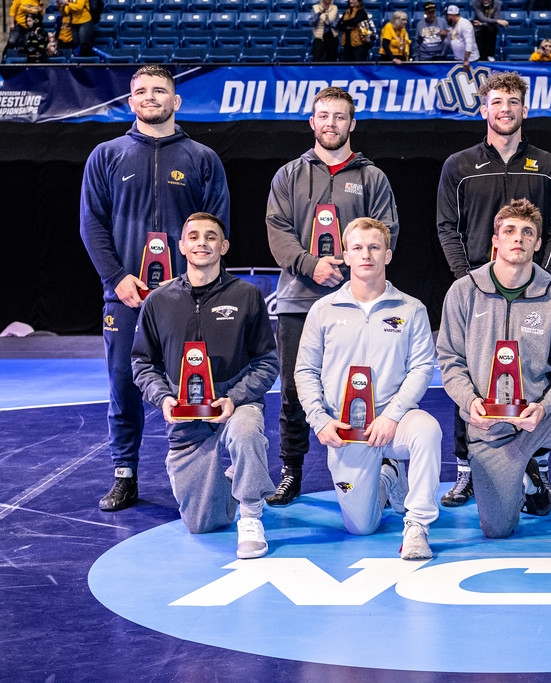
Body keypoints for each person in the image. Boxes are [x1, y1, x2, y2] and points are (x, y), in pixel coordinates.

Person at [81, 66, 230, 513]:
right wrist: (116, 279)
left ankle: (202, 473)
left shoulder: (203, 158)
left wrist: (195, 283)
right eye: (141, 91)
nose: (150, 97)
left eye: (160, 90)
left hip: (189, 297)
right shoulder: (106, 156)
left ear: (176, 101)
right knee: (124, 387)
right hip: (125, 297)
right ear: (131, 102)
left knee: (196, 385)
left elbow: (216, 229)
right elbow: (92, 226)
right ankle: (124, 474)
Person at [436, 199, 551, 563]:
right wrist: (470, 404)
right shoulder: (464, 292)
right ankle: (528, 481)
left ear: (538, 244)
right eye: (510, 231)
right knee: (496, 529)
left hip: (539, 418)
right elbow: (449, 360)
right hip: (489, 428)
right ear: (495, 240)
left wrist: (544, 406)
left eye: (527, 233)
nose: (519, 239)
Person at [436, 71, 551, 509]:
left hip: (532, 294)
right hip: (478, 294)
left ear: (524, 109)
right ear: (484, 109)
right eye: (497, 102)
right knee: (470, 375)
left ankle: (540, 470)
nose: (505, 110)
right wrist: (467, 281)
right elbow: (447, 227)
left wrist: (539, 283)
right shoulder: (457, 165)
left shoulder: (549, 167)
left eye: (513, 102)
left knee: (537, 374)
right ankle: (466, 472)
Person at [265, 86, 399, 506]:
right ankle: (292, 470)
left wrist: (347, 268)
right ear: (312, 121)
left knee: (365, 384)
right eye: (324, 115)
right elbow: (278, 232)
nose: (331, 123)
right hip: (298, 300)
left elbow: (385, 232)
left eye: (340, 117)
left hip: (359, 302)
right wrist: (311, 264)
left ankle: (378, 464)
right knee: (293, 391)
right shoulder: (288, 175)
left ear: (352, 124)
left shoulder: (372, 177)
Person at [131, 213, 278, 560]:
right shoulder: (159, 300)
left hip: (235, 401)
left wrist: (234, 397)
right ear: (181, 246)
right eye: (193, 236)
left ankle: (252, 515)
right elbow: (141, 363)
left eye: (211, 237)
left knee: (245, 431)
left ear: (223, 246)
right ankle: (237, 476)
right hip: (184, 413)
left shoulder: (247, 295)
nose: (202, 243)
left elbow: (267, 362)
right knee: (203, 523)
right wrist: (163, 398)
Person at [294, 217, 440, 560]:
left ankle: (417, 526)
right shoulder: (323, 310)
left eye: (374, 247)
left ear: (387, 255)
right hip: (346, 430)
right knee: (361, 526)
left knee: (428, 432)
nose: (366, 255)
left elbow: (421, 368)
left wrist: (391, 416)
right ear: (346, 255)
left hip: (394, 421)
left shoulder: (411, 308)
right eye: (358, 248)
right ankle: (389, 475)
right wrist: (320, 420)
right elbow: (305, 370)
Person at [445, 5, 479, 70]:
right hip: (459, 59)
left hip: (470, 61)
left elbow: (469, 43)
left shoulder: (465, 24)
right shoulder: (453, 25)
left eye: (448, 16)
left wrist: (466, 59)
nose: (447, 18)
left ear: (452, 15)